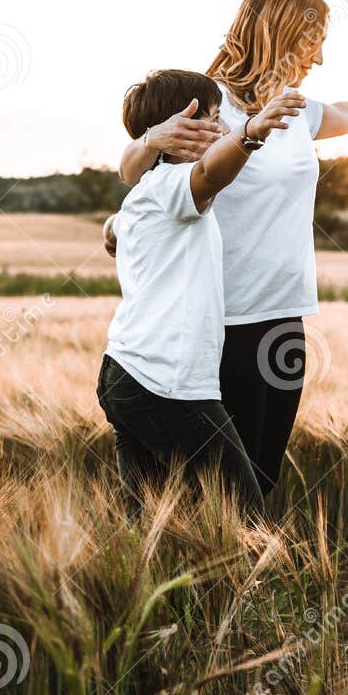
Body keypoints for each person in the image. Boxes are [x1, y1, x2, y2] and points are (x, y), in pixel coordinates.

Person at [109, 0, 348, 495]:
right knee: (209, 495)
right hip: (224, 321)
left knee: (259, 481)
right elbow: (141, 174)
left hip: (284, 318)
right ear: (278, 31)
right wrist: (143, 153)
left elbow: (342, 113)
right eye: (312, 43)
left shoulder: (297, 107)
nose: (318, 60)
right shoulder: (207, 102)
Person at [98, 68, 305, 516]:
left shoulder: (147, 192)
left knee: (149, 524)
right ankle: (244, 590)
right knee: (243, 517)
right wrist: (251, 133)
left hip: (125, 374)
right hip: (166, 384)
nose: (225, 126)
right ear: (191, 123)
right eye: (217, 117)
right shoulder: (174, 184)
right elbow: (211, 174)